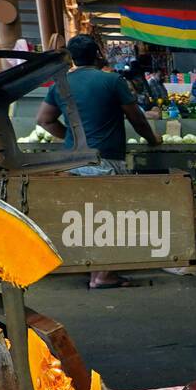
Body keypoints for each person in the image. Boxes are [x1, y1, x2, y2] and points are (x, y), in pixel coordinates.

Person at [35, 34, 161, 288]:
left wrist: (73, 141)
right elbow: (136, 119)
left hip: (72, 162)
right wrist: (153, 140)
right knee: (108, 217)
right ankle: (103, 275)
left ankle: (94, 270)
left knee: (83, 218)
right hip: (104, 160)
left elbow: (44, 120)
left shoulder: (59, 84)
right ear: (98, 55)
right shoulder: (112, 80)